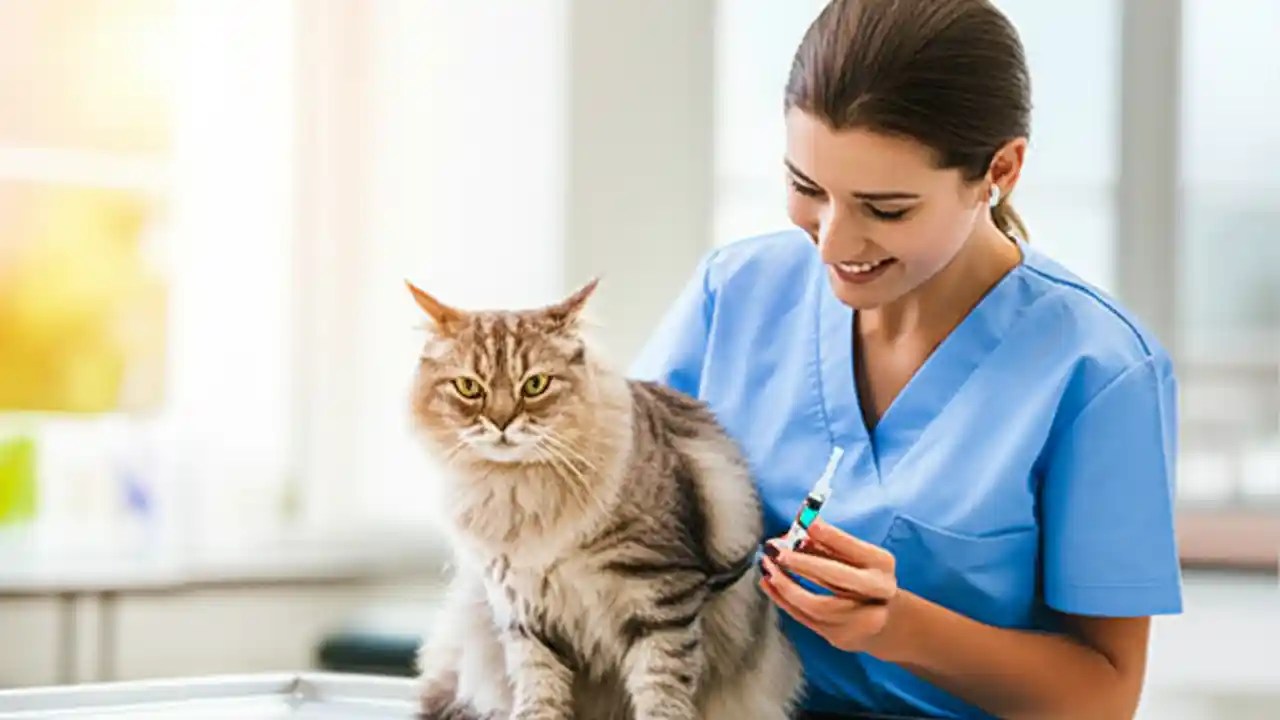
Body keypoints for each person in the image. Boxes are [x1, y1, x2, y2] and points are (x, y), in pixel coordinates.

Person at [629, 1, 1183, 718]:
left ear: (1000, 170)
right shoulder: (731, 294)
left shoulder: (1100, 372)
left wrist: (901, 628)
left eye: (885, 208)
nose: (831, 243)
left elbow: (1101, 697)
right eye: (806, 188)